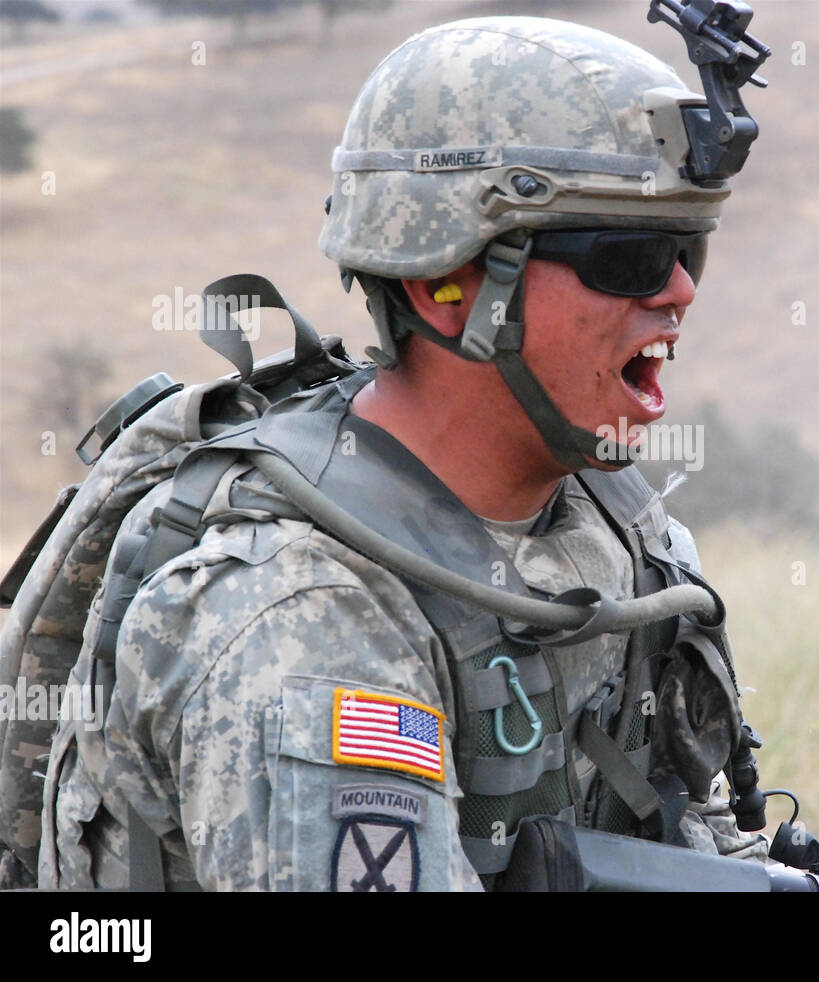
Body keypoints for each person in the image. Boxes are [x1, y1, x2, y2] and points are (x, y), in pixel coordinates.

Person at [37, 14, 771, 892]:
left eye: (689, 250)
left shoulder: (620, 538)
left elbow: (692, 842)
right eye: (633, 256)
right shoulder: (303, 624)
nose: (681, 291)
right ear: (445, 287)